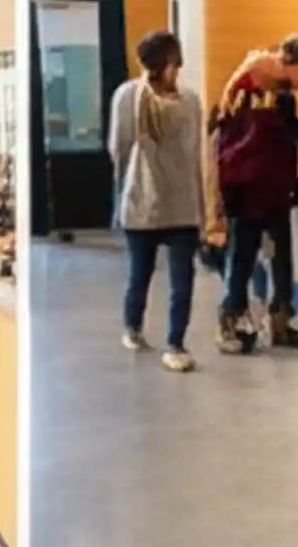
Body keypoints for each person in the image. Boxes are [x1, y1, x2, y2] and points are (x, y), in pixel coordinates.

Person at [211, 34, 298, 356]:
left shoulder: (252, 84)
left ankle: (266, 322)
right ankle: (240, 323)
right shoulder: (268, 92)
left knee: (263, 257)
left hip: (258, 185)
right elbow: (284, 133)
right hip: (254, 185)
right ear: (296, 62)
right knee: (249, 257)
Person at [108, 30, 204, 372]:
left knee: (177, 277)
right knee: (144, 275)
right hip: (149, 199)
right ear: (171, 62)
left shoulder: (187, 100)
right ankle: (139, 329)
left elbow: (116, 150)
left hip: (170, 202)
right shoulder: (133, 96)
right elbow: (120, 149)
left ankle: (174, 340)